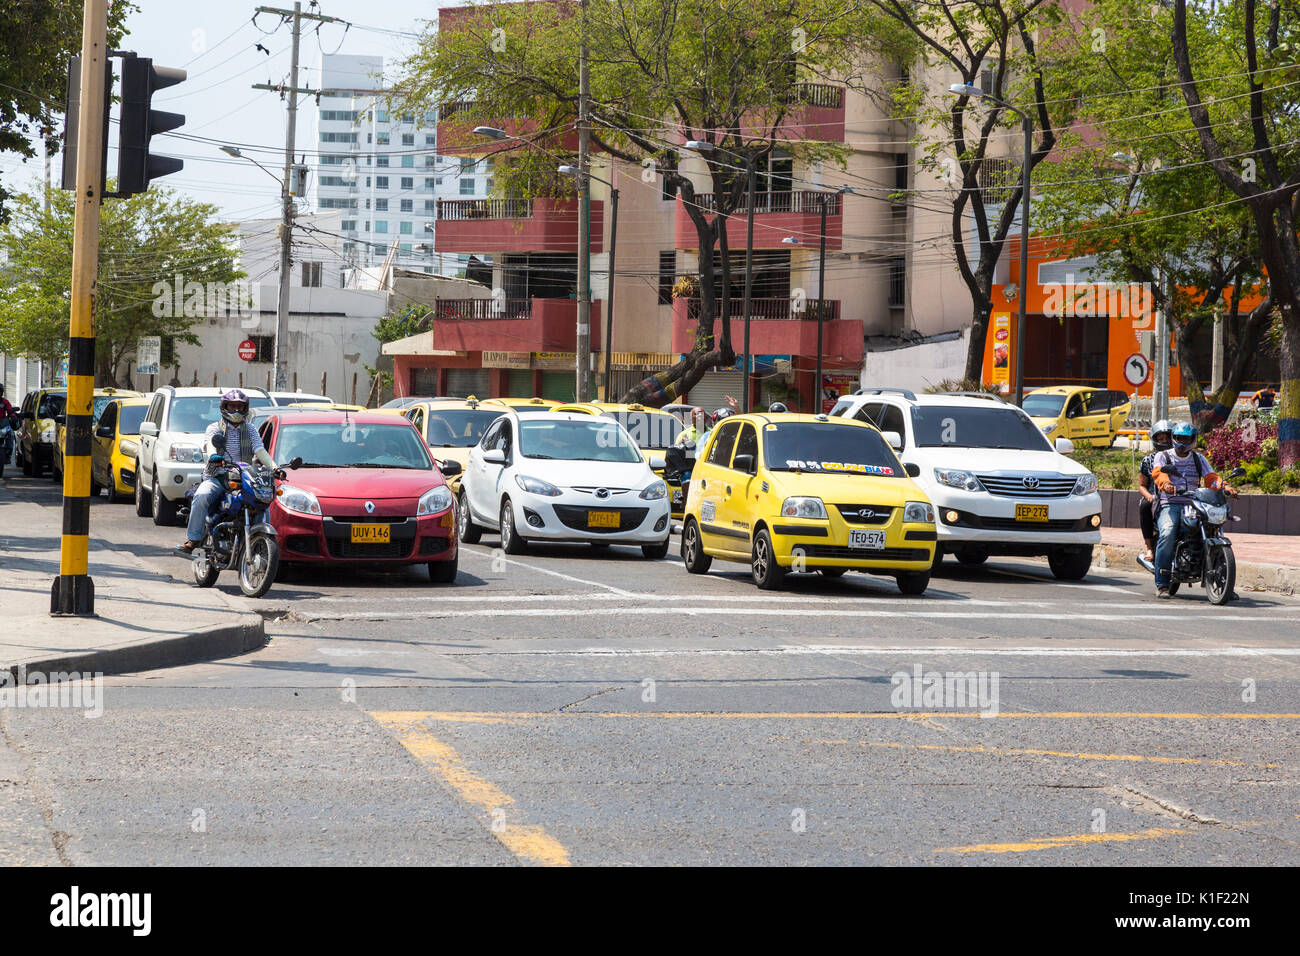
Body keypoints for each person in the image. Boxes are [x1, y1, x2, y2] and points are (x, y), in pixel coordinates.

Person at [177, 389, 275, 554]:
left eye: (239, 406)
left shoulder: (250, 429)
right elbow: (210, 445)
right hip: (217, 476)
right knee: (201, 496)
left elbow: (260, 451)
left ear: (245, 408)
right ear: (225, 407)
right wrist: (214, 456)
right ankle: (193, 539)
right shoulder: (214, 427)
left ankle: (259, 539)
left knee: (262, 502)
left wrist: (275, 467)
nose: (236, 410)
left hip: (243, 477)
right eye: (232, 406)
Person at [1150, 421, 1237, 599]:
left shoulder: (1198, 458)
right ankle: (1162, 583)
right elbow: (1159, 474)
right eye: (1179, 438)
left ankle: (1224, 582)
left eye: (1186, 438)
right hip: (1170, 503)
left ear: (1193, 439)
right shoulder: (1163, 456)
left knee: (1212, 528)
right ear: (1174, 439)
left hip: (1194, 503)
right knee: (1168, 532)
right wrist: (1166, 484)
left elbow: (1211, 477)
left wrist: (1224, 486)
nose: (1183, 442)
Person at [1136, 420, 1173, 564]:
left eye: (1168, 437)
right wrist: (1149, 496)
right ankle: (1149, 548)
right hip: (1156, 497)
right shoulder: (1148, 460)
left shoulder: (1180, 457)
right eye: (1161, 439)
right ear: (1155, 440)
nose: (1165, 441)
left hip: (1178, 497)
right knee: (1144, 505)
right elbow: (1141, 486)